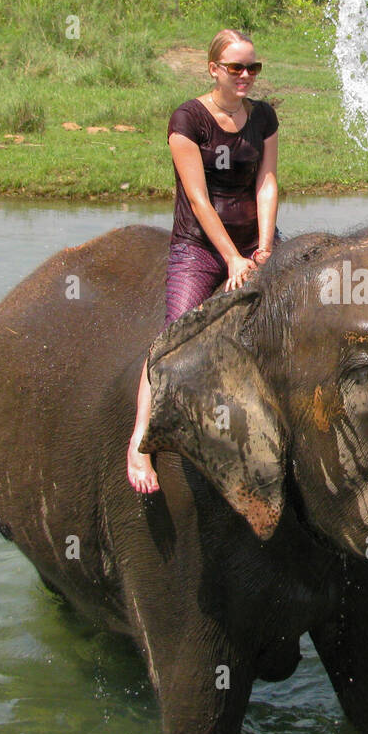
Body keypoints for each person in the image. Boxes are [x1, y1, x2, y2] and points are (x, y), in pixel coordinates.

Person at [126, 29, 279, 493]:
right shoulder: (188, 119)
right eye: (236, 68)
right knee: (174, 337)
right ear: (213, 69)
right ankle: (139, 441)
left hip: (255, 239)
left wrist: (265, 248)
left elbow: (267, 183)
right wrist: (231, 259)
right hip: (201, 245)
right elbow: (197, 198)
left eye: (253, 67)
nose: (246, 76)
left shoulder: (264, 117)